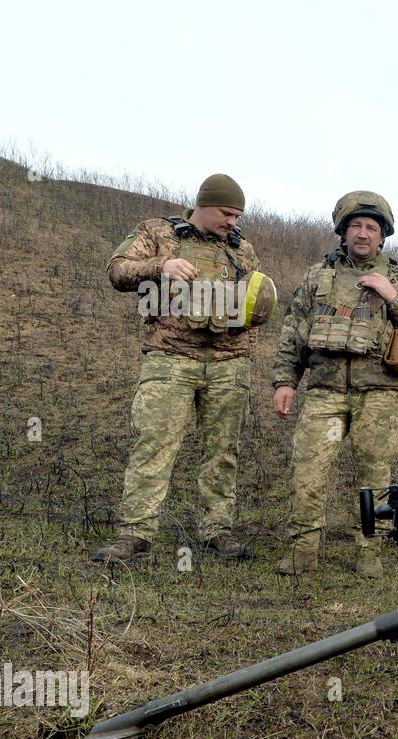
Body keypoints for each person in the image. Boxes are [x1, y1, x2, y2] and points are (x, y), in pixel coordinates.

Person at [95, 173, 270, 563]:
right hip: (170, 359)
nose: (233, 222)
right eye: (227, 213)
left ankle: (217, 532)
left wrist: (246, 353)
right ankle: (135, 535)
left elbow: (255, 306)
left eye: (238, 216)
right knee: (153, 446)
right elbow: (117, 269)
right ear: (203, 205)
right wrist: (162, 266)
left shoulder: (242, 249)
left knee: (224, 451)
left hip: (228, 364)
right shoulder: (158, 231)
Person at [272, 191, 398, 577]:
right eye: (356, 226)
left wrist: (393, 296)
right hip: (324, 393)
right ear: (343, 232)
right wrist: (285, 381)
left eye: (371, 228)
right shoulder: (318, 275)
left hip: (377, 394)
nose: (363, 234)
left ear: (383, 236)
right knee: (309, 470)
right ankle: (302, 552)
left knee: (375, 476)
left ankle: (369, 553)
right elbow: (293, 330)